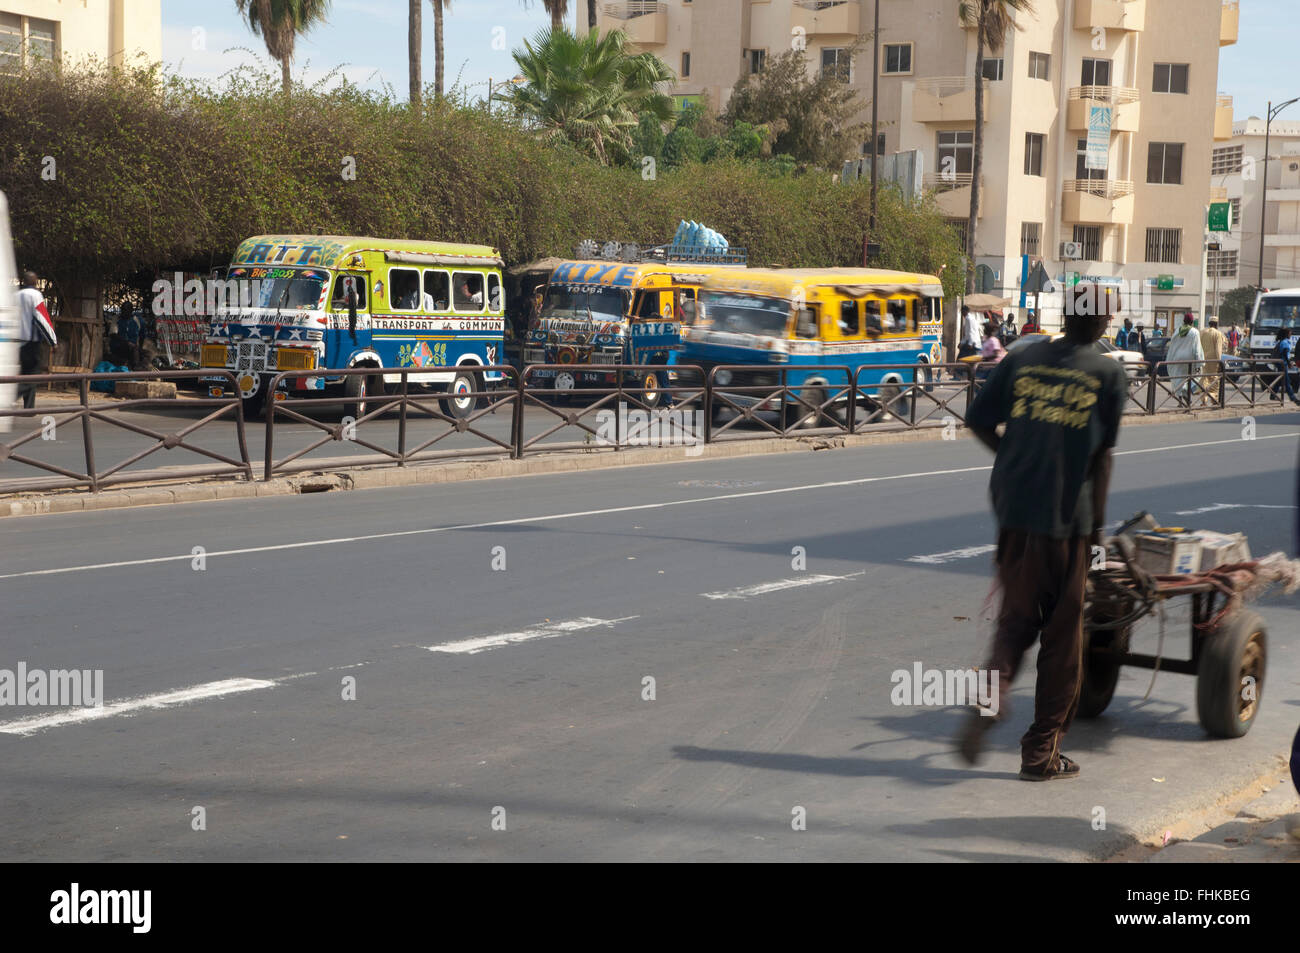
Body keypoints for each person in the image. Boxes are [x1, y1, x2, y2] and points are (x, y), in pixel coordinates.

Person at [958, 281, 1126, 781]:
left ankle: (990, 700)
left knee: (1014, 621)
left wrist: (1014, 458)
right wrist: (1095, 531)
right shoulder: (1106, 372)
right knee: (1062, 637)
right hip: (1066, 521)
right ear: (1100, 323)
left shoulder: (1022, 358)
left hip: (1013, 510)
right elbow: (1101, 459)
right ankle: (1041, 753)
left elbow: (978, 420)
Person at [16, 271, 57, 409]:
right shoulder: (35, 295)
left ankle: (29, 407)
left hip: (18, 341)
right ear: (35, 282)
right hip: (31, 341)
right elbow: (41, 319)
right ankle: (12, 395)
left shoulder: (16, 295)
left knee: (26, 372)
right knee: (33, 375)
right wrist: (52, 341)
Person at [1166, 313, 1204, 407]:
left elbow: (1172, 346)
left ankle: (1180, 402)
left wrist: (1170, 359)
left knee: (1179, 379)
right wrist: (1199, 362)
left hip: (1177, 358)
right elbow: (1197, 348)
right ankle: (1187, 397)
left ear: (1183, 321)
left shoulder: (1177, 331)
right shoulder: (1194, 332)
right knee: (1190, 379)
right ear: (1192, 322)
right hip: (1189, 359)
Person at [1199, 318, 1227, 406]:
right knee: (1214, 379)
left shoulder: (1202, 332)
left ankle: (1204, 399)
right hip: (1213, 359)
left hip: (1203, 358)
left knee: (1205, 378)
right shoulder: (1218, 333)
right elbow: (1218, 350)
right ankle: (1214, 398)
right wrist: (1220, 362)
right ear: (1216, 324)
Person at [1272, 327, 1300, 405]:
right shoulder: (1285, 343)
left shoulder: (1282, 341)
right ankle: (1293, 398)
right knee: (1287, 382)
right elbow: (1284, 354)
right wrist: (1288, 363)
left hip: (1281, 363)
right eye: (1290, 333)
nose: (1291, 335)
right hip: (1283, 363)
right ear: (1286, 334)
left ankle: (1272, 394)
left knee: (1280, 379)